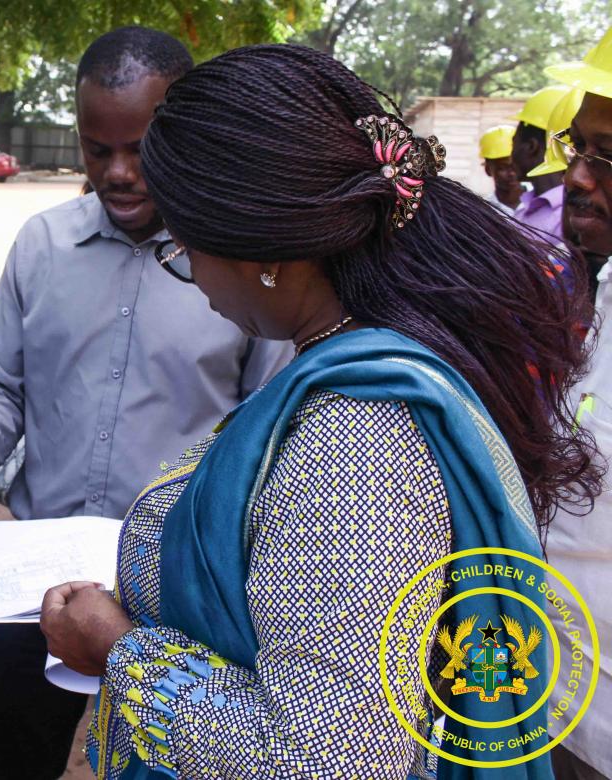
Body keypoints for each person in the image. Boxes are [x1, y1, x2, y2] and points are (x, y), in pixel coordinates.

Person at [39, 43, 599, 779]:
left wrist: (118, 649)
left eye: (185, 244)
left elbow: (327, 758)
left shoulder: (357, 439)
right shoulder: (346, 371)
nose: (186, 270)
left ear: (263, 248)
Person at [0, 26, 291, 780]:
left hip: (182, 595)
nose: (119, 173)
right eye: (97, 148)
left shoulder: (247, 266)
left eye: (142, 148)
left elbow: (267, 429)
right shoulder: (40, 246)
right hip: (36, 590)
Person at [541, 28, 612, 780]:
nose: (580, 179)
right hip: (561, 709)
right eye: (578, 148)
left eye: (609, 156)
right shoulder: (603, 287)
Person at [512, 85, 572, 240]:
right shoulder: (524, 209)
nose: (510, 154)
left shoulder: (567, 220)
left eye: (514, 142)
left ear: (531, 147)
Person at [479, 125, 524, 213]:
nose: (512, 173)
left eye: (516, 165)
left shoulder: (541, 201)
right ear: (488, 169)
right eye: (502, 168)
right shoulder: (485, 212)